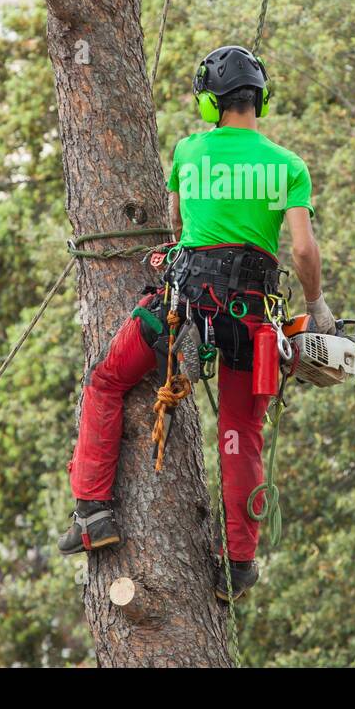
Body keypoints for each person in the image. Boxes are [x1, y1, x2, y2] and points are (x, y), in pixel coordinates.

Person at [57, 44, 335, 601]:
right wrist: (317, 303)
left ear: (210, 103)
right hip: (248, 317)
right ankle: (238, 565)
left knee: (108, 379)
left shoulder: (189, 150)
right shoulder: (288, 166)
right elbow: (302, 249)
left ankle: (94, 513)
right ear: (260, 99)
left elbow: (179, 224)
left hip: (181, 301)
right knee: (239, 431)